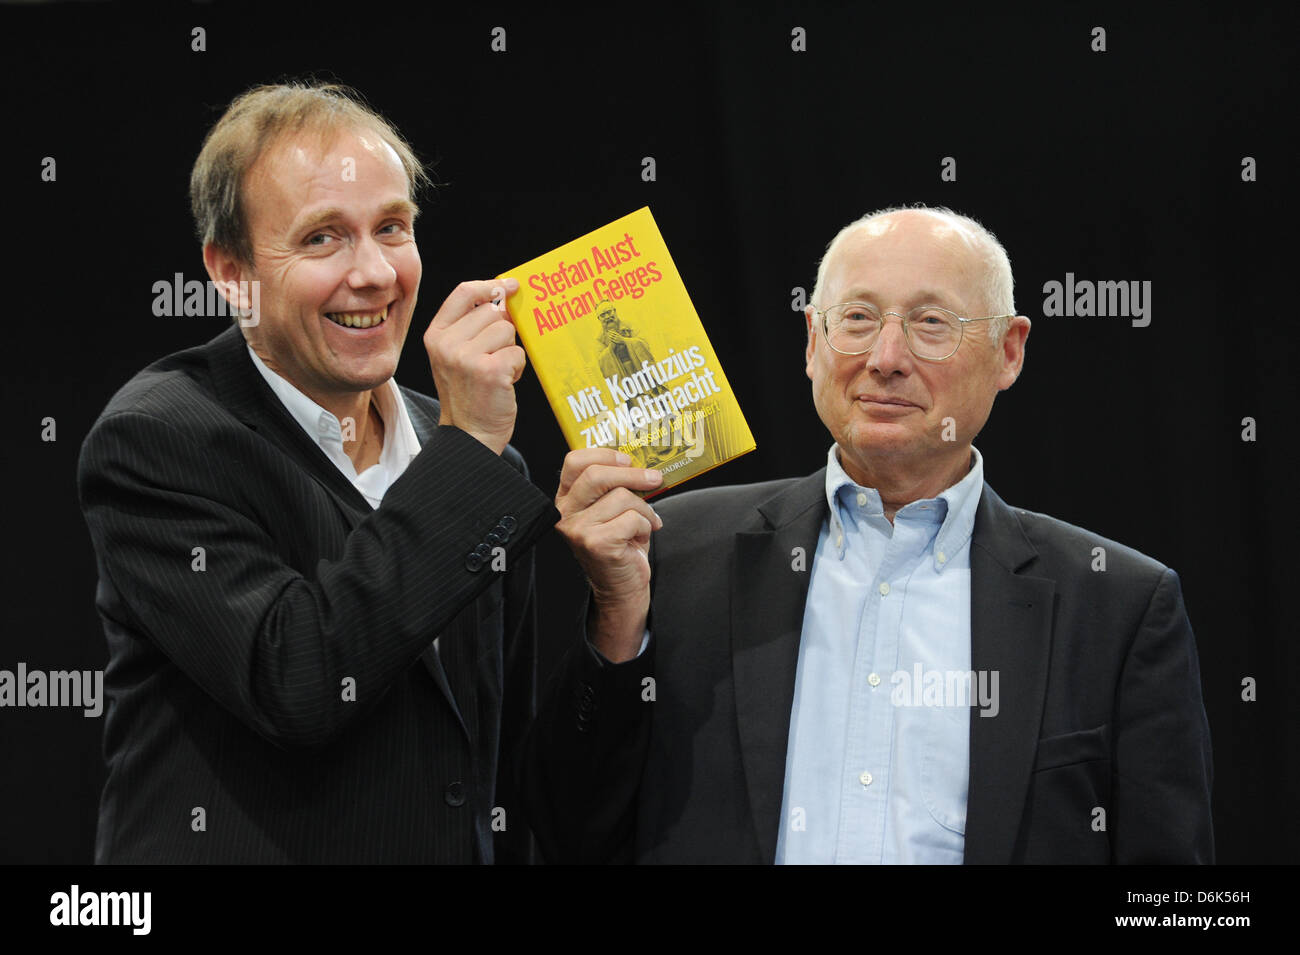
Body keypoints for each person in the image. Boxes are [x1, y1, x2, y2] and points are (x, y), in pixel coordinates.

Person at [522, 205, 1214, 864]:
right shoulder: (671, 549)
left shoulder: (1118, 603)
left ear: (1009, 351)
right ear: (812, 342)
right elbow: (565, 833)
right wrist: (616, 617)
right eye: (856, 318)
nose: (885, 357)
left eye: (931, 322)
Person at [77, 82, 557, 863]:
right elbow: (301, 679)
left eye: (392, 228)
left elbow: (503, 766)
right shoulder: (158, 438)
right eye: (322, 239)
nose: (373, 273)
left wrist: (616, 614)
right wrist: (468, 452)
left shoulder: (474, 455)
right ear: (231, 273)